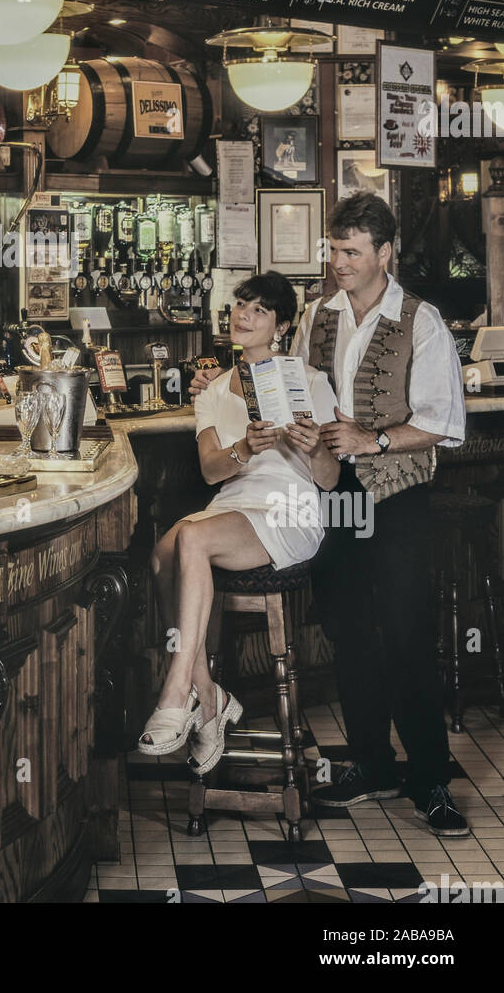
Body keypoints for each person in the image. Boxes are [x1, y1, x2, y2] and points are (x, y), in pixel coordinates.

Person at [189, 193, 468, 837]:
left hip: (395, 495)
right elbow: (280, 383)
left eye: (351, 252)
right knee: (347, 629)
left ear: (384, 254)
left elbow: (442, 421)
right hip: (331, 494)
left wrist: (372, 440)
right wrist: (217, 385)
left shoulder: (420, 322)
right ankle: (370, 763)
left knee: (403, 632)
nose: (339, 262)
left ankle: (429, 776)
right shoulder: (316, 313)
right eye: (334, 250)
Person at [139, 272, 340, 771]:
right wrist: (244, 448)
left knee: (187, 538)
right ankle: (208, 696)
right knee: (162, 553)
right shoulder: (212, 390)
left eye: (258, 310)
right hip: (234, 503)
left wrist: (313, 448)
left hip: (290, 507)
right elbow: (211, 470)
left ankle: (177, 692)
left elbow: (332, 481)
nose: (242, 316)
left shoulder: (310, 382)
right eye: (240, 306)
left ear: (282, 326)